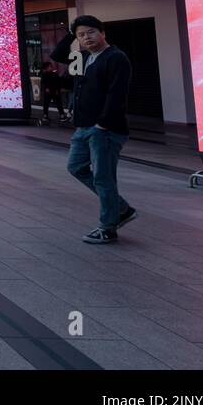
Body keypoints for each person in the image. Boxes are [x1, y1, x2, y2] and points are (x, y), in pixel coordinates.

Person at [59, 15, 137, 245]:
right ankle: (121, 208)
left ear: (103, 33)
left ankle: (108, 227)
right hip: (84, 128)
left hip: (105, 129)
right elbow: (58, 55)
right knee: (75, 167)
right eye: (81, 35)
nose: (86, 38)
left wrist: (102, 123)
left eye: (91, 32)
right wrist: (70, 34)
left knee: (104, 178)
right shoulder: (83, 57)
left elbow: (117, 94)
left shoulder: (115, 58)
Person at [39, 60, 65, 126]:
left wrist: (58, 89)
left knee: (58, 103)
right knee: (46, 103)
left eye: (51, 66)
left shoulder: (54, 74)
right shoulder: (45, 75)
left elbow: (58, 82)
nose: (51, 67)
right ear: (46, 68)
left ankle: (62, 115)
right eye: (49, 66)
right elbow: (43, 83)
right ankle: (45, 115)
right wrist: (46, 88)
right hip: (48, 91)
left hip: (54, 91)